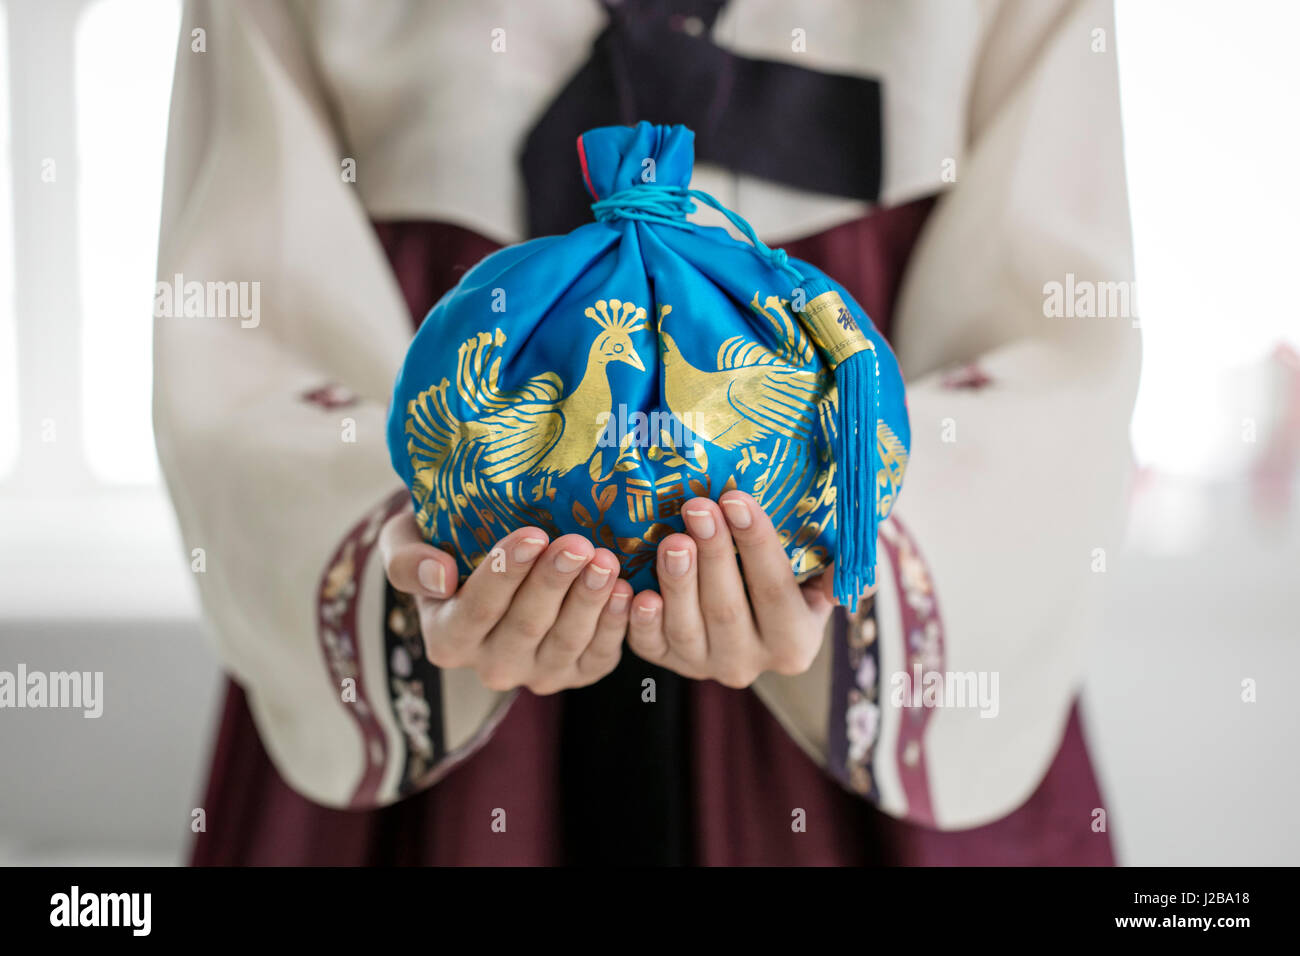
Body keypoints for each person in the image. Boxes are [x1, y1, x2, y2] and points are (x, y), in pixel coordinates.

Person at [157, 0, 1139, 865]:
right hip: (451, 646)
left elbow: (1056, 344)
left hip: (840, 695)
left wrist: (850, 551)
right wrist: (403, 554)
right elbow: (244, 335)